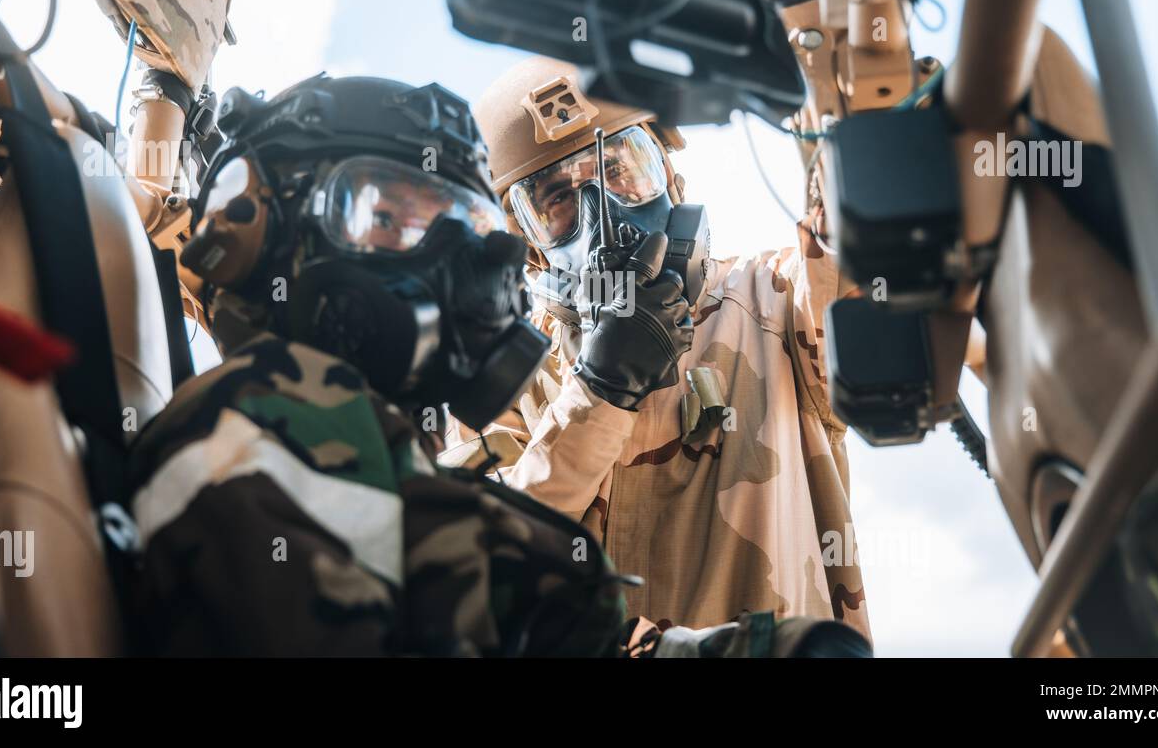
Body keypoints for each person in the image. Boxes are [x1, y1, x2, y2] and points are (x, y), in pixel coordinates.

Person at [124, 74, 630, 657]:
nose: (448, 266)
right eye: (390, 220)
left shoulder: (386, 449)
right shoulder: (260, 416)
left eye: (463, 231)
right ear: (266, 235)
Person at [445, 57, 872, 644]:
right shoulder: (498, 379)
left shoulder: (775, 302)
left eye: (620, 168)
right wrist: (599, 389)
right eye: (558, 200)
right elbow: (475, 565)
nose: (604, 211)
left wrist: (840, 62)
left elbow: (862, 240)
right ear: (532, 246)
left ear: (671, 179)